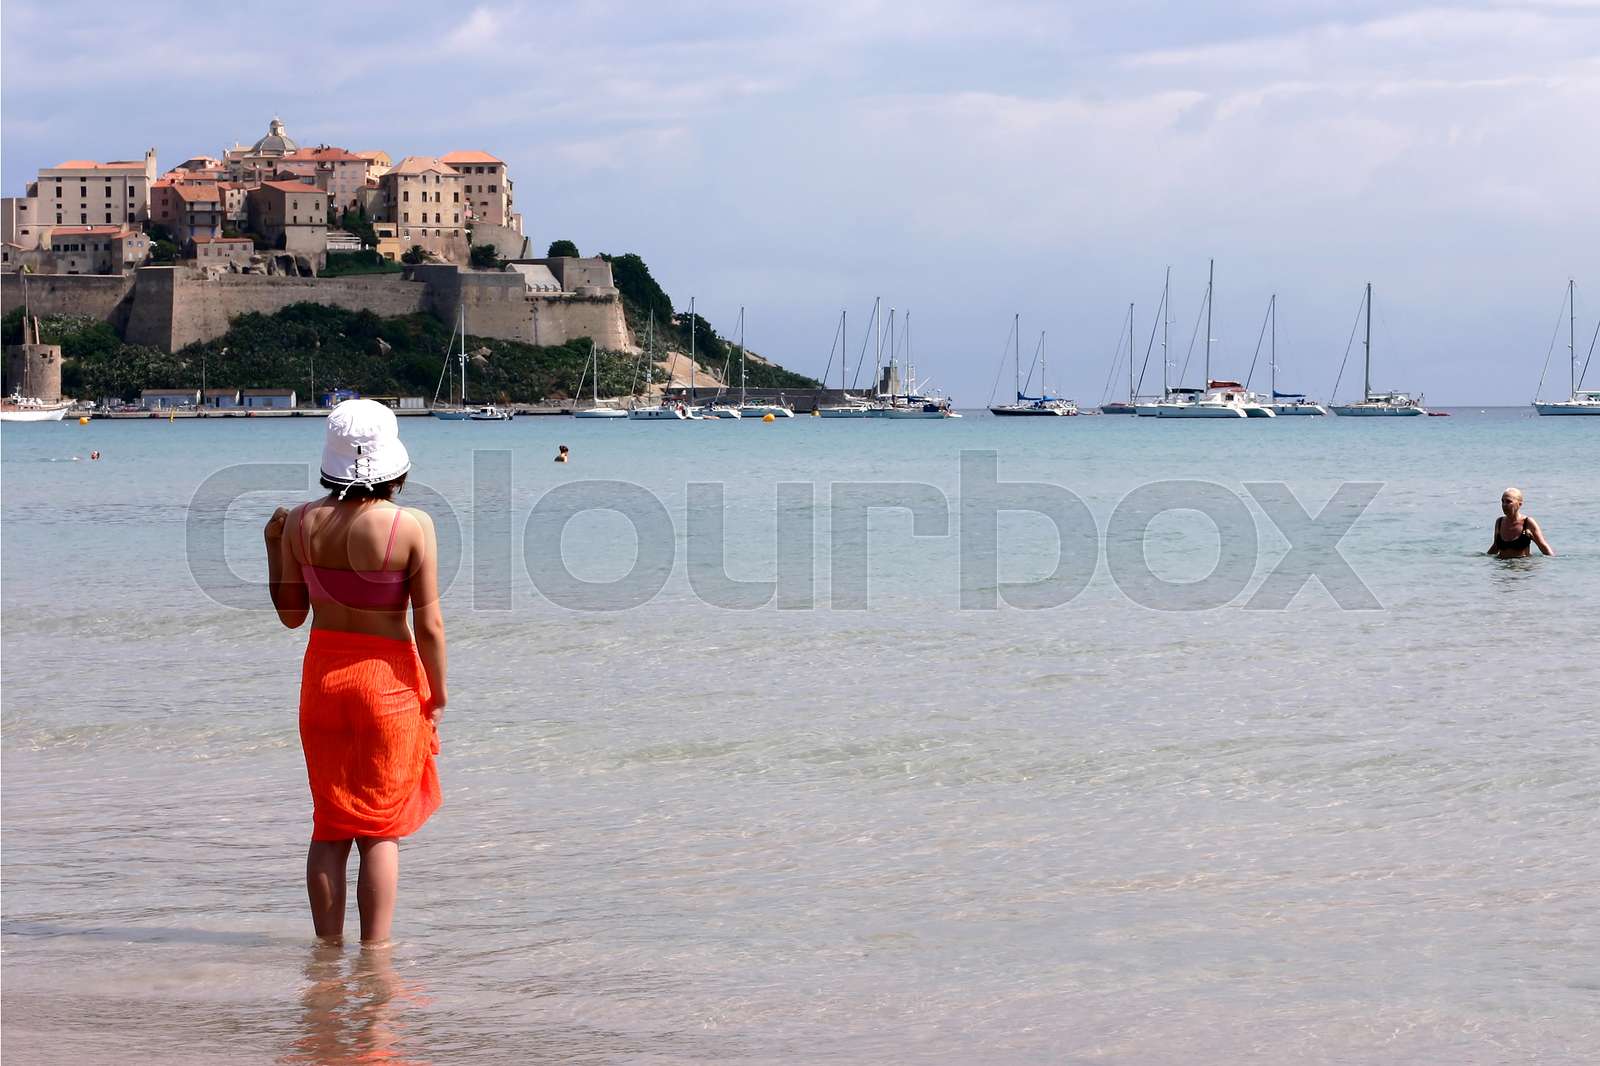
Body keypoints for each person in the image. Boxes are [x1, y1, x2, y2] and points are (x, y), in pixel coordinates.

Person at [263, 399, 447, 943]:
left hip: (323, 683)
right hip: (387, 685)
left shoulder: (299, 523)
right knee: (379, 830)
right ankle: (376, 959)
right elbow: (430, 625)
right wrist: (438, 694)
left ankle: (326, 956)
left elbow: (291, 615)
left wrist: (272, 545)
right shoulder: (412, 526)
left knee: (329, 826)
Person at [1486, 486, 1554, 559]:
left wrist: (1554, 561)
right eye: (1502, 501)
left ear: (1519, 504)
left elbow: (1543, 546)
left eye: (1508, 501)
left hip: (1522, 564)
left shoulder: (1528, 522)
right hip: (1502, 565)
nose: (1504, 505)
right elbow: (1495, 547)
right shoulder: (1499, 522)